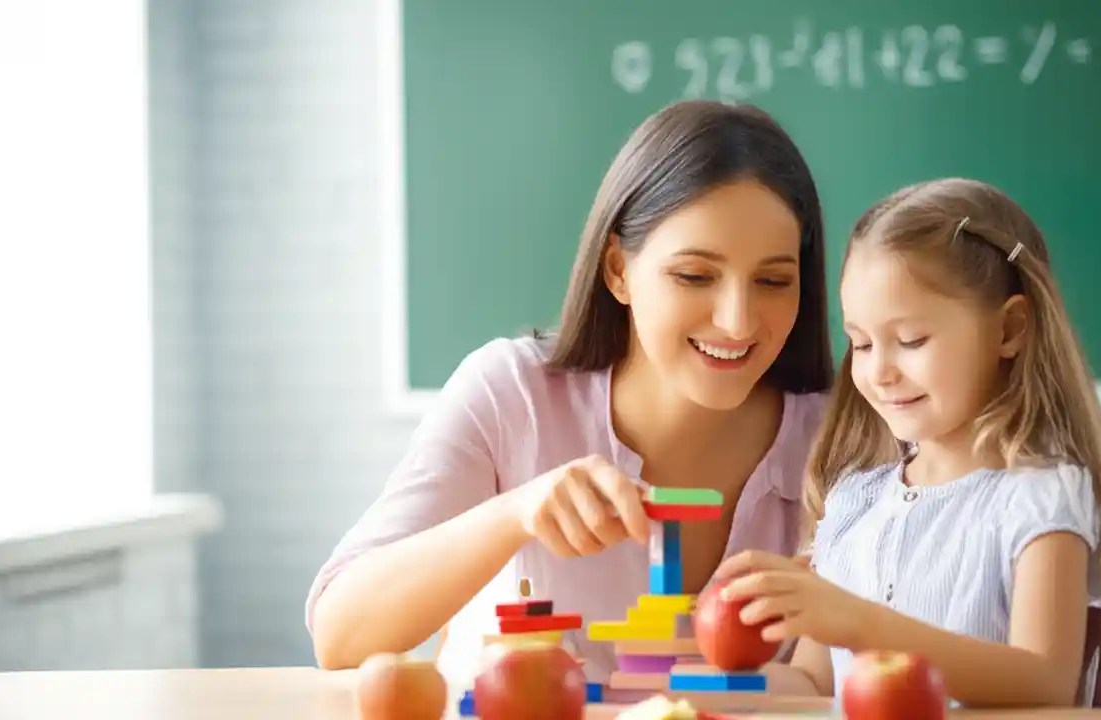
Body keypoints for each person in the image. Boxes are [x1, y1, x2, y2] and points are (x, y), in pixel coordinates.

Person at [306, 99, 834, 688]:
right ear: (617, 270)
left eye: (772, 281)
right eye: (694, 275)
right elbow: (340, 632)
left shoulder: (842, 436)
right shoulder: (512, 394)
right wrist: (516, 513)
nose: (738, 321)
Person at [715, 177, 1101, 707]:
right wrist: (710, 684)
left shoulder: (1040, 500)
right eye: (862, 343)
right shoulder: (853, 504)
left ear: (1009, 330)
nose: (879, 371)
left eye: (911, 340)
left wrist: (859, 622)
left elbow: (1044, 681)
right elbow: (816, 682)